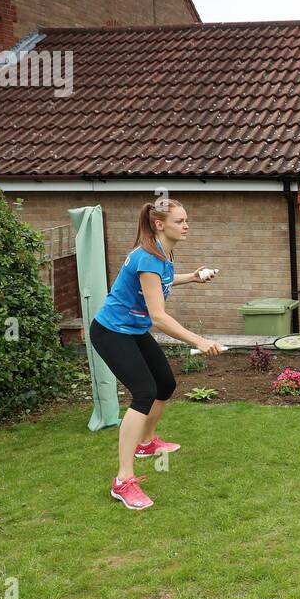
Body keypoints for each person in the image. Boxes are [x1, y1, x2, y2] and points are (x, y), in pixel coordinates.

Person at [89, 198, 225, 510]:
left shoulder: (162, 253)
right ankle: (123, 480)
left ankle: (147, 443)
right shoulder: (148, 257)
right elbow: (159, 317)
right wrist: (199, 340)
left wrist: (191, 277)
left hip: (133, 330)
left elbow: (159, 281)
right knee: (144, 392)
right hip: (111, 332)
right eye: (179, 221)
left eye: (186, 220)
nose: (186, 225)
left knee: (164, 384)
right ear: (159, 224)